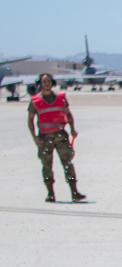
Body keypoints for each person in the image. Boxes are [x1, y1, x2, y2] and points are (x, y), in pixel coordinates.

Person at [27, 74, 83, 202]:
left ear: (52, 83)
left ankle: (74, 192)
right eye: (44, 81)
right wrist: (35, 137)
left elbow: (68, 115)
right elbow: (30, 120)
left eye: (48, 81)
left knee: (68, 163)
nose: (46, 83)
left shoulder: (61, 98)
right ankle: (50, 194)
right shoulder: (35, 101)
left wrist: (72, 128)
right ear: (40, 83)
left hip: (60, 136)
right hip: (44, 138)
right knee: (47, 166)